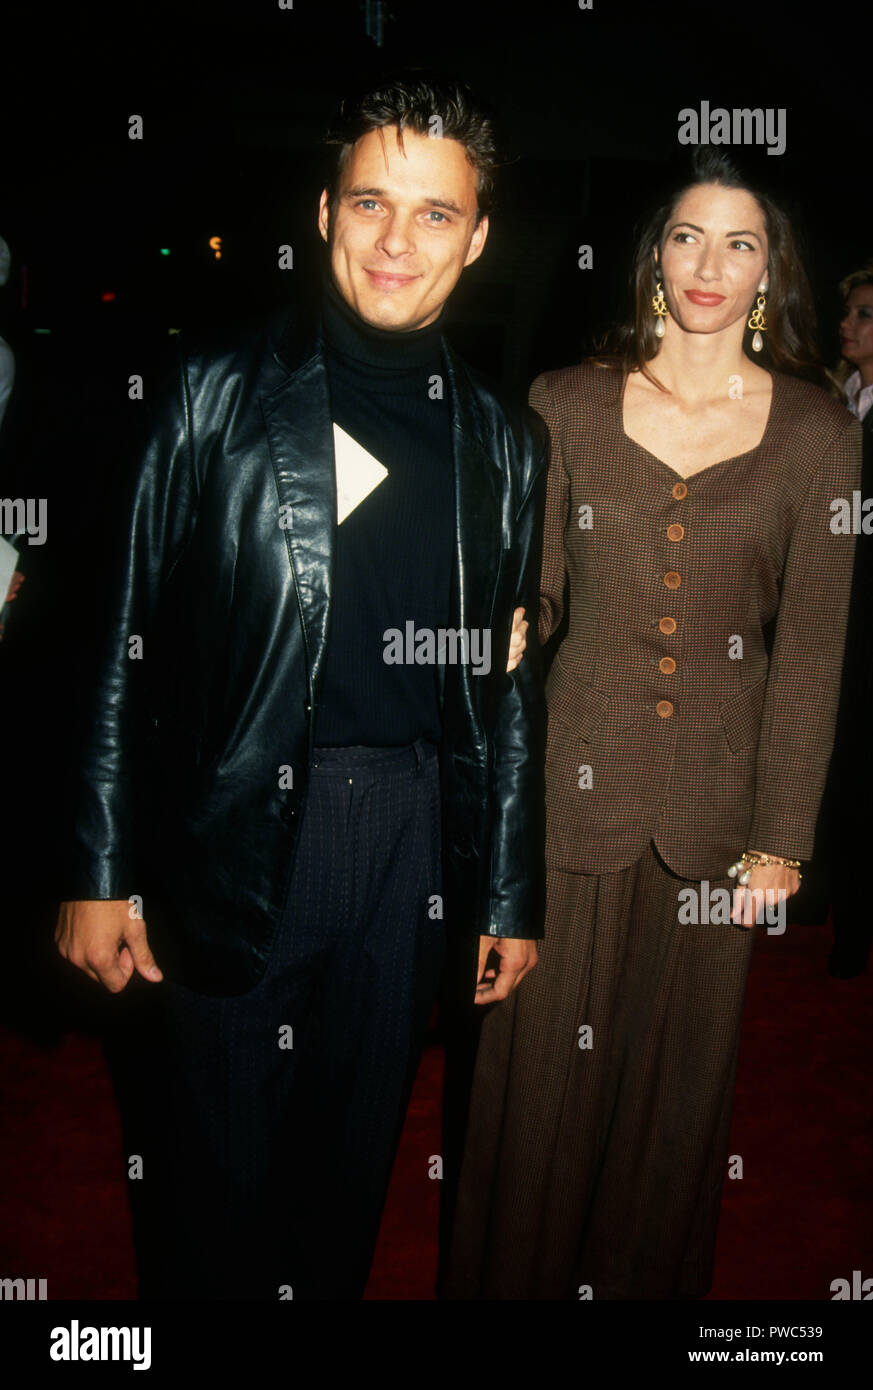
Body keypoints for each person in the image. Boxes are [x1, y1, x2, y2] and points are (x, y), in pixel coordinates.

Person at [55, 71, 547, 1300]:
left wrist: (506, 886)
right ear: (324, 213)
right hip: (237, 822)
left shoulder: (505, 440)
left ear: (478, 237)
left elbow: (506, 680)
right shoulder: (210, 393)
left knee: (349, 1176)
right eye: (369, 203)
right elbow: (111, 632)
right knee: (212, 1183)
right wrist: (99, 867)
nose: (397, 240)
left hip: (414, 843)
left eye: (435, 214)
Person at [442, 148, 862, 1300]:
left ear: (770, 268)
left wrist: (782, 839)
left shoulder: (821, 435)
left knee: (670, 1106)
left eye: (740, 242)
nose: (710, 264)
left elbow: (812, 656)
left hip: (719, 834)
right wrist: (505, 623)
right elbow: (540, 593)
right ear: (653, 257)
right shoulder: (564, 402)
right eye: (688, 236)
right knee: (530, 1094)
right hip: (567, 812)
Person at [822, 266, 873, 976]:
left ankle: (852, 928)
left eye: (862, 314)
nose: (846, 325)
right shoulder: (841, 402)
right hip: (836, 614)